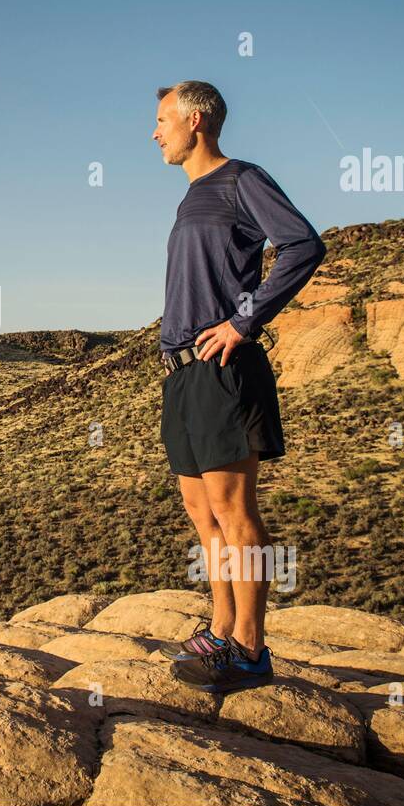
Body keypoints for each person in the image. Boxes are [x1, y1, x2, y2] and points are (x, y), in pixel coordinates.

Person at [151, 81, 326, 693]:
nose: (156, 132)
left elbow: (303, 244)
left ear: (195, 120)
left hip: (224, 369)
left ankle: (251, 648)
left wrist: (243, 321)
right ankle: (221, 629)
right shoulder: (193, 197)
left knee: (234, 511)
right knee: (203, 516)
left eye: (163, 120)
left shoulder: (240, 179)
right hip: (182, 373)